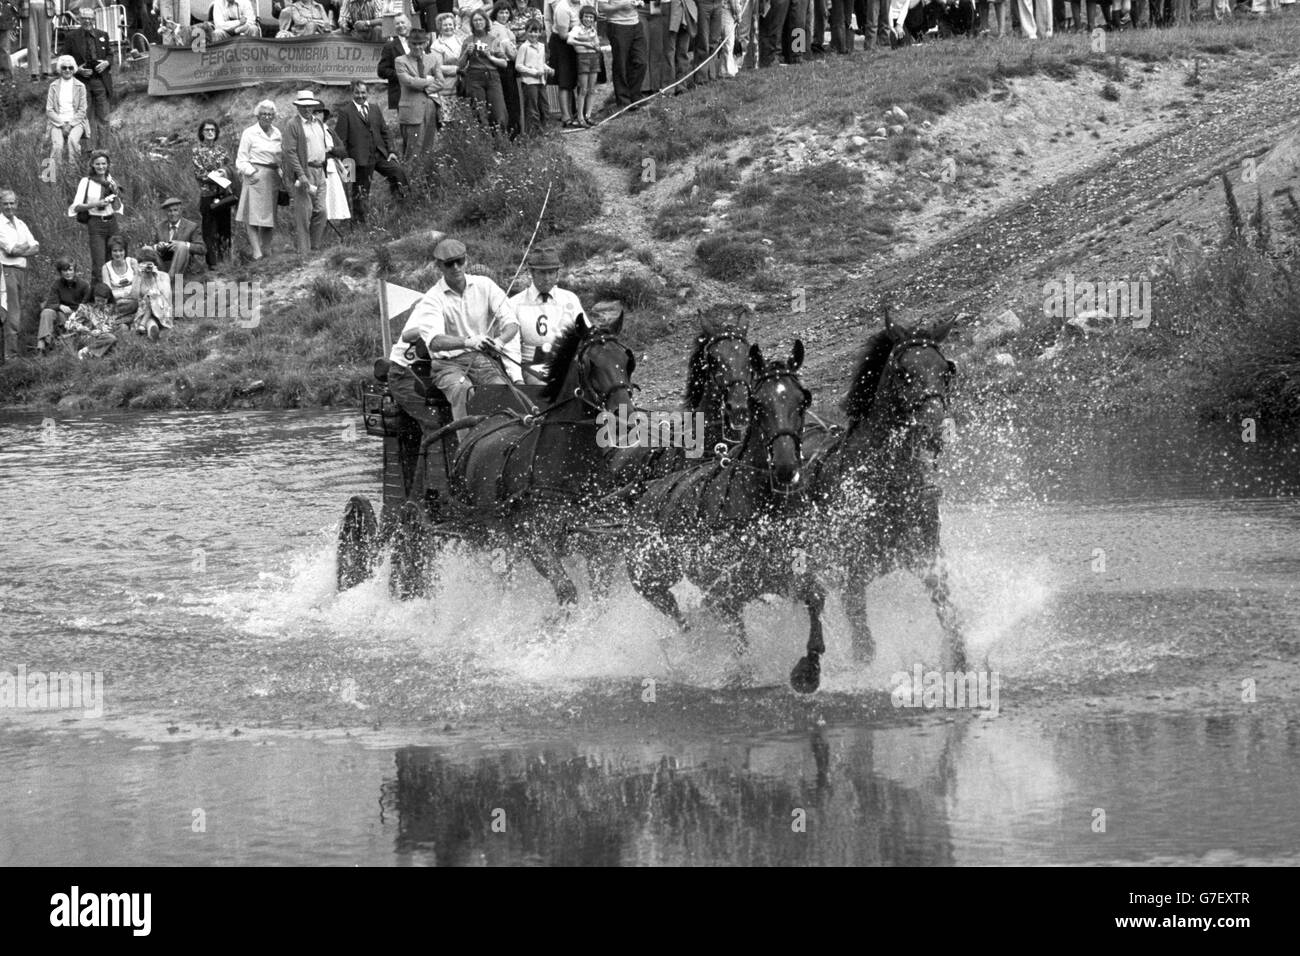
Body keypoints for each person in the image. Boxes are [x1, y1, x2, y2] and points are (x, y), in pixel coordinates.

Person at [404, 236, 521, 423]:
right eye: (450, 264)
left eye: (460, 261)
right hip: (447, 365)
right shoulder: (432, 298)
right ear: (439, 266)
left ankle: (504, 441)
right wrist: (468, 341)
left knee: (502, 392)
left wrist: (500, 341)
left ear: (467, 260)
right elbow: (434, 342)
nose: (456, 267)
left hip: (483, 360)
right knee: (463, 391)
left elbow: (511, 323)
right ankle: (466, 446)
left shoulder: (485, 285)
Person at [333, 80, 410, 224]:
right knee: (360, 192)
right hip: (359, 159)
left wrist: (391, 151)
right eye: (357, 92)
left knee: (398, 172)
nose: (360, 96)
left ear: (367, 93)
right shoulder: (345, 112)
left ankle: (402, 208)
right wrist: (346, 162)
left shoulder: (375, 109)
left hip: (379, 154)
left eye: (363, 92)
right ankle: (360, 223)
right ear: (352, 93)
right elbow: (340, 139)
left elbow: (385, 131)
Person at [507, 244, 583, 385]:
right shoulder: (515, 304)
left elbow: (585, 332)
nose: (547, 278)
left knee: (609, 386)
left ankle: (624, 408)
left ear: (557, 273)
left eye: (551, 272)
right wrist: (517, 379)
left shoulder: (570, 299)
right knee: (546, 391)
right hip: (532, 368)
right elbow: (511, 347)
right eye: (542, 273)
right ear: (532, 272)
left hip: (566, 364)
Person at [281, 90, 329, 255]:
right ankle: (304, 251)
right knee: (304, 212)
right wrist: (301, 174)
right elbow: (289, 152)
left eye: (310, 106)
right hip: (305, 170)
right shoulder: (293, 125)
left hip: (320, 169)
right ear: (298, 107)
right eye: (304, 106)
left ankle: (314, 247)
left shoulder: (318, 123)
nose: (307, 109)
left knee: (321, 210)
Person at [235, 100, 282, 261]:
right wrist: (251, 172)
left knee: (269, 216)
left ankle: (266, 249)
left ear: (274, 116)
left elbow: (280, 157)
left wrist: (282, 172)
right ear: (257, 115)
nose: (267, 117)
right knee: (252, 215)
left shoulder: (277, 133)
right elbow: (241, 159)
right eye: (264, 114)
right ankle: (256, 252)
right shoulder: (249, 133)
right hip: (254, 175)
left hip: (273, 176)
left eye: (270, 114)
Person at [67, 149, 124, 281]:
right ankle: (98, 294)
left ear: (108, 165)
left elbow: (118, 207)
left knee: (115, 258)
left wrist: (115, 197)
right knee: (99, 262)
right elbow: (76, 207)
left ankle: (115, 291)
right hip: (96, 224)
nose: (101, 167)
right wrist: (95, 204)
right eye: (97, 164)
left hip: (112, 222)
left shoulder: (111, 180)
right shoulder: (86, 182)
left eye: (103, 164)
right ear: (92, 165)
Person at [0, 188, 41, 364]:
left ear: (16, 204)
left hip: (21, 271)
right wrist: (24, 247)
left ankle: (10, 354)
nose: (9, 206)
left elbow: (37, 247)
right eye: (5, 203)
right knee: (10, 312)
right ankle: (11, 357)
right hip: (7, 270)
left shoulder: (21, 223)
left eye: (12, 203)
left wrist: (20, 249)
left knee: (16, 310)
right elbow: (11, 251)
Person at [66, 6, 114, 148]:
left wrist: (106, 63)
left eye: (90, 18)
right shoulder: (71, 37)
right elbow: (64, 59)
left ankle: (104, 150)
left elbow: (111, 55)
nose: (87, 21)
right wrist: (76, 70)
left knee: (104, 117)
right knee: (85, 118)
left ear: (94, 19)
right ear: (79, 19)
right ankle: (89, 151)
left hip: (100, 81)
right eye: (84, 18)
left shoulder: (103, 35)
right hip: (81, 83)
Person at [192, 119, 236, 268]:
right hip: (207, 194)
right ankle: (212, 262)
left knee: (225, 227)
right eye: (207, 130)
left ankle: (226, 259)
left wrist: (224, 172)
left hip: (223, 193)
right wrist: (216, 176)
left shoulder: (222, 150)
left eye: (213, 130)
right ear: (202, 133)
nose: (210, 132)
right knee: (209, 229)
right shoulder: (196, 151)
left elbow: (230, 167)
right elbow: (199, 173)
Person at [458, 11, 510, 134]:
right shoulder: (468, 40)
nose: (478, 22)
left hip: (492, 76)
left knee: (498, 112)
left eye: (480, 20)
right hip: (474, 77)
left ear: (486, 21)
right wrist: (466, 52)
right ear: (472, 24)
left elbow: (504, 63)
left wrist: (491, 56)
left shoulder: (493, 39)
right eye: (475, 20)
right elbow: (460, 66)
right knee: (480, 113)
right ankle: (484, 146)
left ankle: (500, 143)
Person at [396, 29, 442, 159]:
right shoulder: (400, 61)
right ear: (408, 43)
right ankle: (411, 178)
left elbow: (440, 82)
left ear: (426, 43)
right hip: (411, 110)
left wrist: (425, 88)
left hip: (430, 108)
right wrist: (428, 80)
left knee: (430, 148)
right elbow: (408, 81)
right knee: (412, 150)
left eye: (420, 43)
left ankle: (427, 178)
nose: (417, 47)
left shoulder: (433, 59)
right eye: (414, 44)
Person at [598, 0, 646, 110]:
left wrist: (639, 3)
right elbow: (602, 7)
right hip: (617, 25)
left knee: (641, 62)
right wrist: (621, 6)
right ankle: (623, 101)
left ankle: (635, 96)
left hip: (636, 24)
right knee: (621, 64)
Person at [141, 197, 205, 280]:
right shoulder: (160, 227)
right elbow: (154, 246)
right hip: (163, 263)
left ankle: (170, 278)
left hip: (184, 265)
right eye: (169, 211)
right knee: (146, 249)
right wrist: (157, 246)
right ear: (166, 213)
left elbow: (202, 249)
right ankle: (150, 278)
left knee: (182, 246)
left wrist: (184, 244)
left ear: (180, 211)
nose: (172, 213)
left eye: (175, 210)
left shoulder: (191, 226)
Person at [37, 258, 92, 355]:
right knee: (47, 312)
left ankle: (53, 345)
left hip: (77, 316)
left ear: (74, 270)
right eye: (64, 270)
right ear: (60, 272)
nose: (68, 273)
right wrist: (60, 306)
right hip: (61, 314)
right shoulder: (57, 284)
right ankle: (42, 343)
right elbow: (49, 303)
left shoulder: (84, 285)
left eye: (70, 270)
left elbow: (88, 305)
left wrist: (76, 314)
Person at [46, 56, 90, 166]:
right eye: (64, 67)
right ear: (60, 69)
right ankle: (54, 176)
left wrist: (70, 125)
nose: (67, 70)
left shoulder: (80, 86)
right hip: (57, 122)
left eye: (70, 68)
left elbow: (82, 110)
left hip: (76, 122)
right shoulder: (53, 86)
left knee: (73, 141)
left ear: (74, 69)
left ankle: (73, 172)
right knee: (57, 146)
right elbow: (49, 110)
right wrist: (61, 124)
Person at [514, 20, 554, 137]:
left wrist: (548, 69)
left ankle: (545, 129)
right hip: (529, 82)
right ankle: (533, 133)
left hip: (541, 81)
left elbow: (541, 63)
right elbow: (518, 65)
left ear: (540, 33)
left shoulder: (541, 46)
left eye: (536, 32)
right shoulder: (524, 47)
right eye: (530, 32)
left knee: (544, 106)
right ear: (526, 32)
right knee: (532, 108)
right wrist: (533, 72)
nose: (533, 35)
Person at [547, 0, 582, 127]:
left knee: (576, 80)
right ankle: (566, 116)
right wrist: (584, 41)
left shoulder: (580, 4)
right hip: (562, 46)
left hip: (575, 44)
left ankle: (579, 114)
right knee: (564, 80)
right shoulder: (563, 7)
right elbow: (563, 35)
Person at [490, 2, 521, 139]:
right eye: (501, 12)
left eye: (506, 12)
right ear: (495, 13)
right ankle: (513, 134)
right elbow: (510, 52)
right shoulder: (498, 29)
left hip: (506, 66)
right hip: (505, 67)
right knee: (511, 100)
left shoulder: (503, 27)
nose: (504, 15)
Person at [63, 283, 118, 359]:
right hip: (87, 336)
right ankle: (86, 351)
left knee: (121, 329)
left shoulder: (110, 308)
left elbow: (112, 322)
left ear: (108, 298)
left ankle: (93, 353)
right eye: (98, 300)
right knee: (111, 338)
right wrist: (82, 328)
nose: (100, 303)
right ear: (93, 297)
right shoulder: (84, 307)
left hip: (103, 334)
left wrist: (103, 329)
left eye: (103, 301)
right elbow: (70, 324)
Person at [567, 6, 600, 127]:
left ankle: (588, 115)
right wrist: (586, 43)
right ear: (581, 17)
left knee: (592, 89)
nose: (588, 19)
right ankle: (580, 117)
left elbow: (597, 45)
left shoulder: (593, 30)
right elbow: (570, 41)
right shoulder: (577, 28)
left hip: (594, 59)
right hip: (583, 58)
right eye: (586, 16)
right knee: (583, 89)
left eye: (591, 17)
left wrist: (594, 46)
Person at [130, 249, 173, 340]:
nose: (147, 268)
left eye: (150, 265)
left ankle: (143, 324)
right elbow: (134, 296)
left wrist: (156, 276)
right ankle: (152, 329)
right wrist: (137, 276)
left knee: (153, 294)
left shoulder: (163, 275)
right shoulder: (138, 276)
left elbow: (166, 295)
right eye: (145, 265)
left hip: (162, 310)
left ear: (154, 264)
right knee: (151, 321)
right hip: (144, 310)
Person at [377, 13, 414, 112]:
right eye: (397, 24)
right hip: (401, 94)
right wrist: (401, 75)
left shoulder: (419, 42)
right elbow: (381, 70)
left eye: (403, 22)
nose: (401, 25)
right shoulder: (390, 46)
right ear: (394, 27)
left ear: (409, 24)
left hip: (420, 93)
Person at [101, 235, 140, 319]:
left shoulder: (132, 262)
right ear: (110, 252)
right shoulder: (106, 268)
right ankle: (129, 319)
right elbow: (108, 292)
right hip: (117, 302)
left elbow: (137, 289)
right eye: (115, 251)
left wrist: (127, 297)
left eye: (121, 250)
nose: (118, 254)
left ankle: (119, 320)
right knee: (110, 308)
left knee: (138, 303)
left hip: (133, 300)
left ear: (125, 251)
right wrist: (122, 298)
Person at [23, 0, 55, 83]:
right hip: (37, 5)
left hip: (31, 5)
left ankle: (35, 73)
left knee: (32, 39)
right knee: (43, 40)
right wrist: (57, 9)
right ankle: (45, 72)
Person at [669, 0, 698, 89]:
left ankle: (681, 84)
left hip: (686, 12)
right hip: (670, 11)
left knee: (683, 51)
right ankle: (670, 86)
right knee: (670, 52)